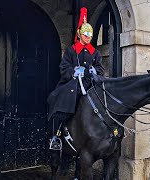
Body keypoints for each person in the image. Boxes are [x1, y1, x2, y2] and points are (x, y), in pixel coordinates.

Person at [47, 7, 105, 150]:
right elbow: (63, 67)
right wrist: (73, 71)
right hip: (72, 84)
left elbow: (100, 69)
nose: (88, 37)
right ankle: (56, 136)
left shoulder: (95, 53)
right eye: (85, 34)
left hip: (89, 84)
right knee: (59, 100)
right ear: (79, 34)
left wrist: (94, 71)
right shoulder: (71, 50)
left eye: (90, 35)